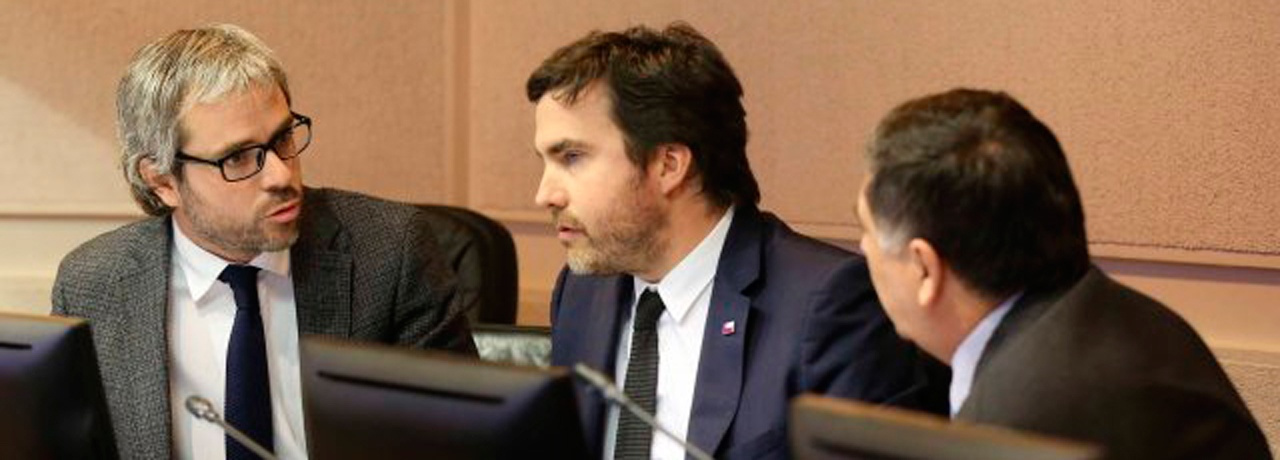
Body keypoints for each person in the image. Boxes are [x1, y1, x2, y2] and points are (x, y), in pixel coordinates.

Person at [51, 24, 475, 460]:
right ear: (162, 181)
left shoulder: (389, 252)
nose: (281, 175)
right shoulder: (96, 286)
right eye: (238, 157)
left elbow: (459, 441)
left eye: (283, 138)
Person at [528, 23, 945, 460]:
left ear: (668, 165)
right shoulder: (582, 292)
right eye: (545, 161)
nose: (545, 195)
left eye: (572, 157)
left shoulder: (828, 304)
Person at [855, 88, 1270, 458]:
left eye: (867, 230)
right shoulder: (1132, 319)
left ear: (925, 268)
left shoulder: (1013, 425)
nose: (863, 248)